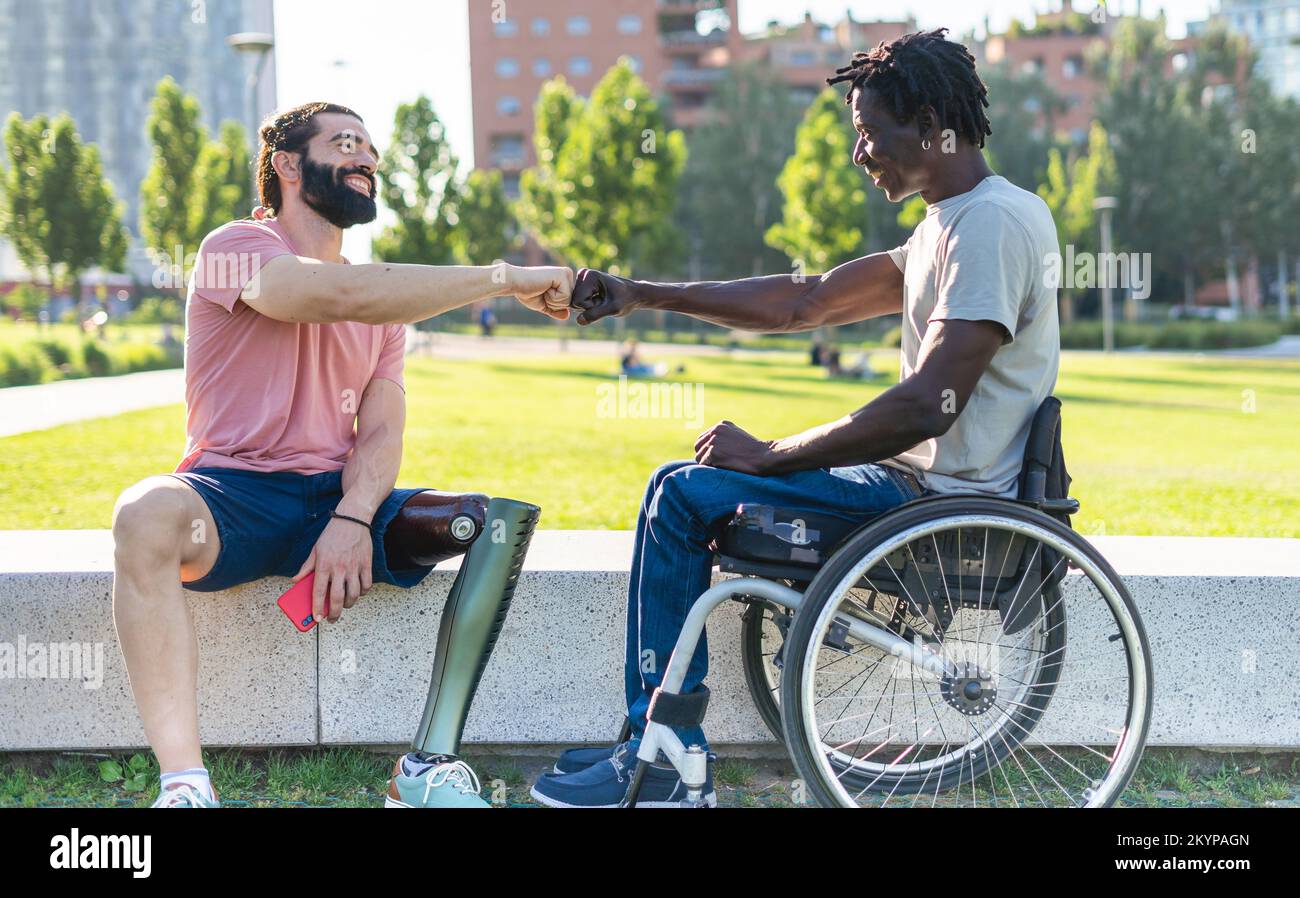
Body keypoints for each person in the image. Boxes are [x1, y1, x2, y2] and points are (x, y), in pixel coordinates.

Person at [531, 28, 1061, 808]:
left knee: (683, 495)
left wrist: (772, 456)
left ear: (925, 124)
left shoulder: (991, 225)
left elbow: (928, 403)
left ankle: (668, 760)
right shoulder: (949, 224)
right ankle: (652, 740)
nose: (859, 154)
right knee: (679, 485)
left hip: (939, 501)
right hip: (915, 486)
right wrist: (645, 293)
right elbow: (803, 301)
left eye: (868, 133)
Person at [110, 101, 573, 809]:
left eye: (372, 151)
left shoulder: (383, 306)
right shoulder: (235, 246)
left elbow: (382, 427)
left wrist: (355, 516)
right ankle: (186, 787)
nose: (369, 161)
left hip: (335, 501)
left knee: (496, 524)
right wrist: (507, 278)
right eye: (347, 144)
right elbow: (329, 296)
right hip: (228, 499)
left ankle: (425, 769)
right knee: (143, 513)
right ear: (289, 166)